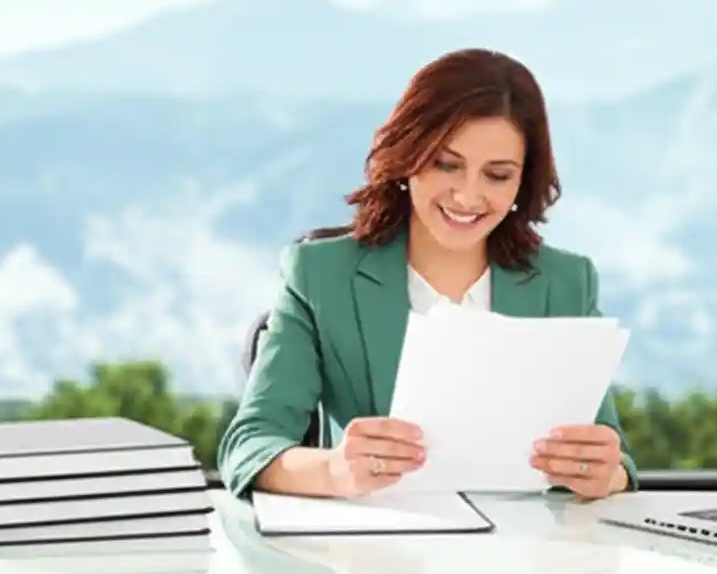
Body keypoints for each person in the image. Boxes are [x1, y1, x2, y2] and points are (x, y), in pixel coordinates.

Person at [217, 48, 637, 500]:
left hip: (528, 539)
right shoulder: (320, 277)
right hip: (379, 538)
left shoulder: (566, 283)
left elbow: (614, 459)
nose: (468, 196)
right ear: (408, 156)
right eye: (446, 165)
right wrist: (334, 470)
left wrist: (605, 474)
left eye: (497, 175)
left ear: (522, 181)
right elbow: (249, 446)